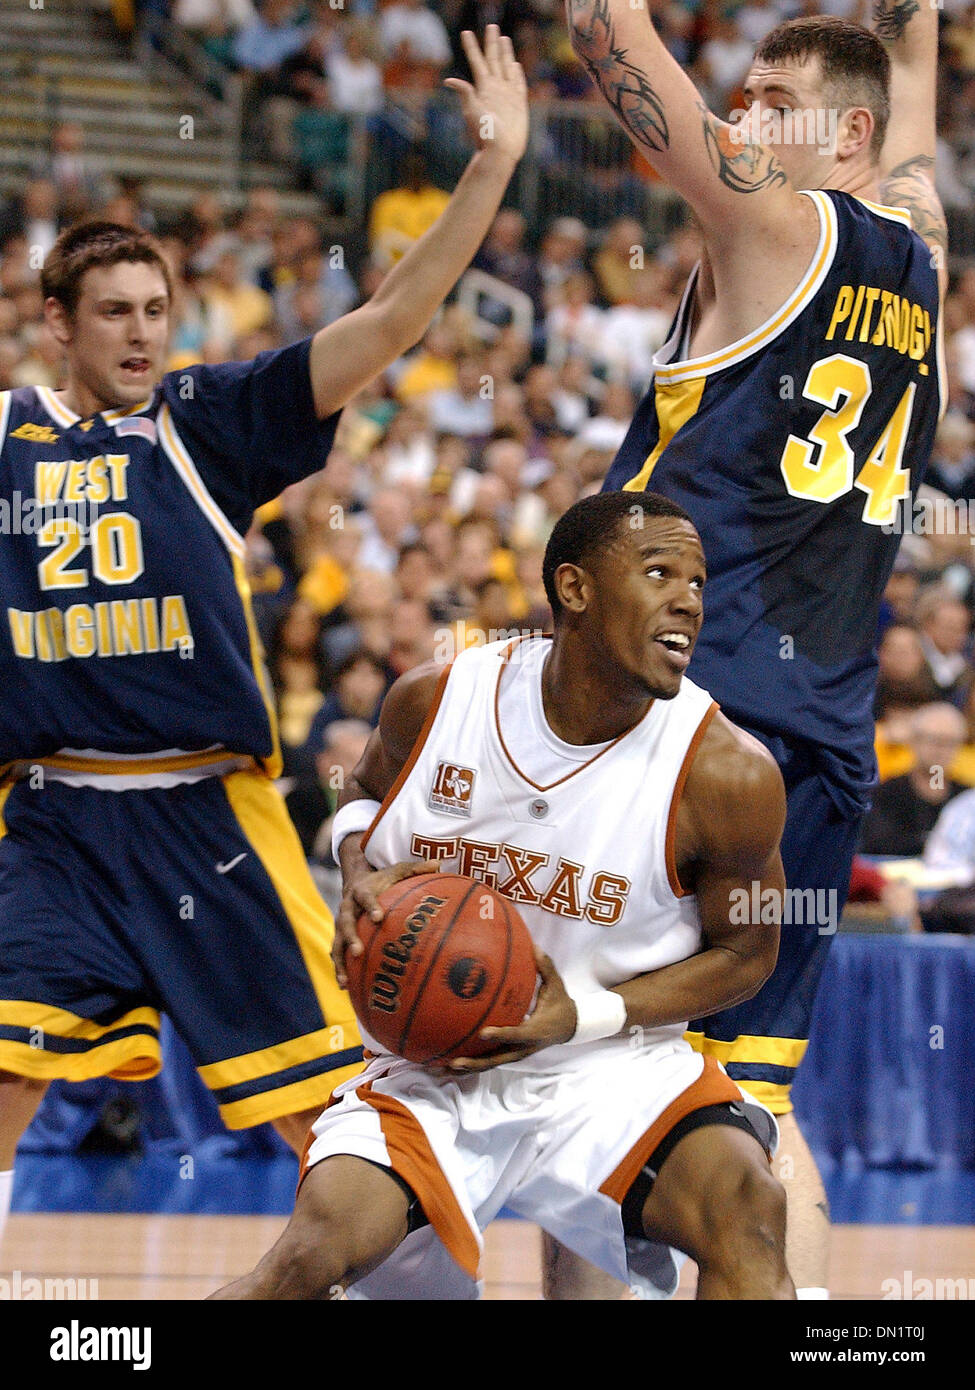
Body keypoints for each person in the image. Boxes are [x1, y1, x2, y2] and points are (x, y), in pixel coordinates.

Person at [0, 26, 527, 1251]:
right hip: (55, 821)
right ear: (57, 323)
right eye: (115, 313)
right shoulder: (11, 438)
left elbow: (393, 317)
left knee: (324, 1112)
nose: (141, 332)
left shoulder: (207, 419)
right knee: (7, 1072)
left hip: (205, 817)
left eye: (158, 311)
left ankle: (426, 1292)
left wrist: (492, 164)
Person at [566, 0, 946, 1298]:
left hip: (686, 725)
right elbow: (912, 151)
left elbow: (596, 32)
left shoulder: (769, 219)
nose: (741, 115)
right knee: (754, 1098)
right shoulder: (922, 264)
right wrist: (920, 31)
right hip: (821, 751)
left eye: (769, 95)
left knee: (571, 1091)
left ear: (837, 131)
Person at [212, 491, 794, 1302]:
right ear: (574, 588)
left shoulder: (726, 771)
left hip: (610, 1067)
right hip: (430, 1066)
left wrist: (579, 1014)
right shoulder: (436, 699)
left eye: (697, 581)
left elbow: (747, 952)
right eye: (657, 571)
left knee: (748, 1207)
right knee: (310, 1254)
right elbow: (366, 804)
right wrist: (358, 870)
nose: (687, 599)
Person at [858, 703, 968, 857]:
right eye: (933, 740)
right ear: (914, 741)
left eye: (950, 742)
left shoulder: (965, 797)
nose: (941, 750)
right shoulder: (888, 793)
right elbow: (879, 842)